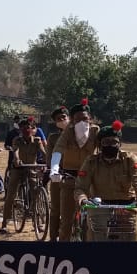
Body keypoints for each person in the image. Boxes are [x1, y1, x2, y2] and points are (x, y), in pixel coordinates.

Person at [75, 120, 137, 240]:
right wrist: (82, 198)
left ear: (120, 144)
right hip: (99, 206)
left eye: (114, 142)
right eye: (106, 142)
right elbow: (80, 186)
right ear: (99, 145)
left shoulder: (130, 159)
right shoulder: (91, 162)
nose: (110, 145)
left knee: (132, 238)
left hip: (127, 206)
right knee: (97, 236)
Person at [49, 99, 100, 240]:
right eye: (78, 119)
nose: (82, 122)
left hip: (90, 180)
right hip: (70, 179)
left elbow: (103, 148)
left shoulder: (96, 131)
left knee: (94, 222)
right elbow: (58, 150)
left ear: (90, 118)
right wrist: (54, 169)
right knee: (66, 222)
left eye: (85, 119)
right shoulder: (68, 133)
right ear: (72, 120)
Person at [0, 118, 47, 235]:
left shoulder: (37, 140)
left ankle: (38, 221)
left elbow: (43, 152)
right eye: (23, 127)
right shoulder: (17, 139)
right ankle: (5, 223)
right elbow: (15, 151)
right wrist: (16, 159)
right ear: (20, 129)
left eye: (28, 127)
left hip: (31, 168)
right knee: (11, 195)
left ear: (32, 129)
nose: (26, 130)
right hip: (18, 169)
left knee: (36, 194)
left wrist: (46, 163)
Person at [44, 106, 70, 240]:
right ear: (55, 123)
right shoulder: (53, 138)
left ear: (69, 118)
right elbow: (49, 157)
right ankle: (53, 238)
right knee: (55, 210)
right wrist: (53, 170)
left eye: (64, 117)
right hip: (58, 176)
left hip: (76, 176)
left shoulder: (79, 134)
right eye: (58, 119)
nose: (62, 120)